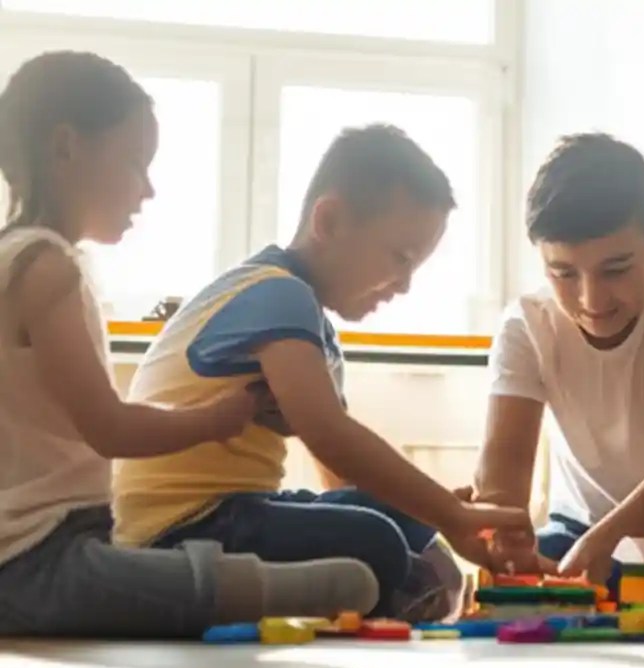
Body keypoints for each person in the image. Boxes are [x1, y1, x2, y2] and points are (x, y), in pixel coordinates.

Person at [0, 51, 379, 637]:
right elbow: (110, 427)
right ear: (66, 147)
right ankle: (263, 590)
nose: (147, 190)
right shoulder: (48, 269)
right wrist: (214, 420)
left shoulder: (12, 261)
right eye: (134, 163)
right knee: (331, 581)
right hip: (37, 556)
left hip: (39, 548)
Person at [112, 124, 531, 621]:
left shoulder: (309, 321)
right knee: (375, 539)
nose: (404, 285)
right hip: (180, 527)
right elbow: (330, 435)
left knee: (385, 518)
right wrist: (447, 511)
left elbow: (340, 477)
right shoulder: (276, 293)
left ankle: (395, 592)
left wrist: (430, 512)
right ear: (329, 221)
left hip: (231, 511)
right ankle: (384, 597)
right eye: (400, 258)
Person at [468, 134, 644, 600]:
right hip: (575, 524)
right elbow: (503, 467)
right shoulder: (526, 324)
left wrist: (606, 539)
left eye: (615, 269)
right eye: (563, 273)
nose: (591, 300)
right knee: (516, 596)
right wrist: (509, 539)